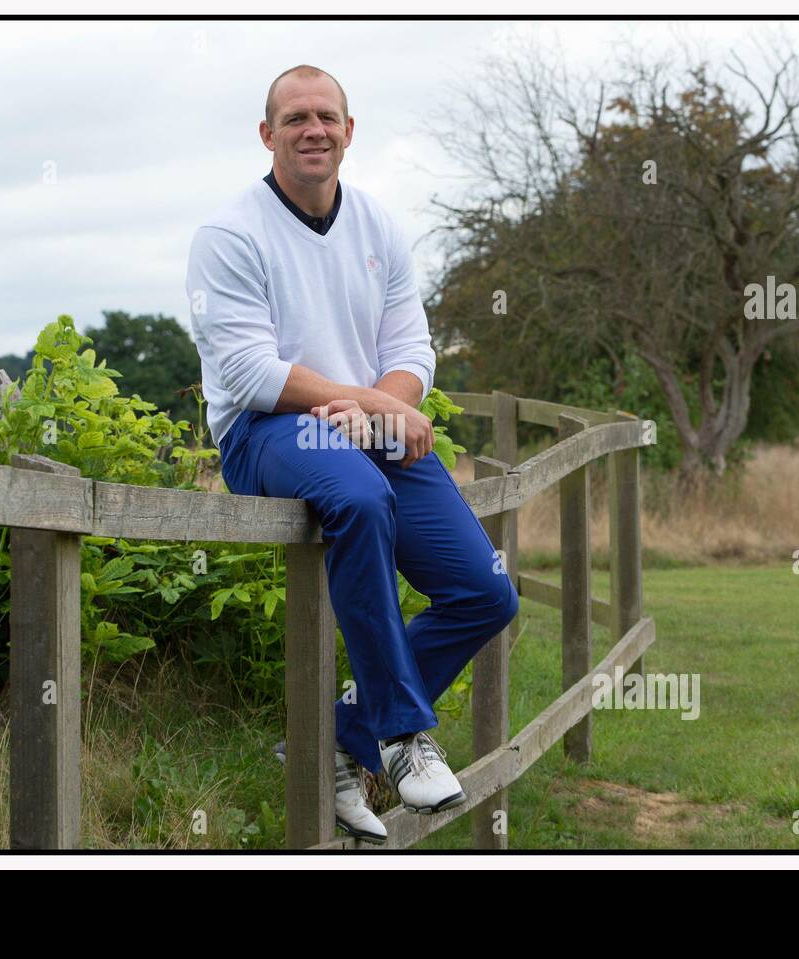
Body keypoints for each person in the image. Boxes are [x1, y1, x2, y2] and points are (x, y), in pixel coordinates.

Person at [185, 64, 519, 844]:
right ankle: (401, 737)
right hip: (267, 427)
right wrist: (366, 401)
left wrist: (382, 403)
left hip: (368, 421)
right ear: (267, 135)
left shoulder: (377, 227)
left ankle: (337, 737)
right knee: (360, 498)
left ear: (349, 130)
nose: (314, 129)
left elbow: (411, 348)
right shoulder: (230, 235)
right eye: (295, 117)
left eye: (327, 116)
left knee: (486, 591)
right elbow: (249, 372)